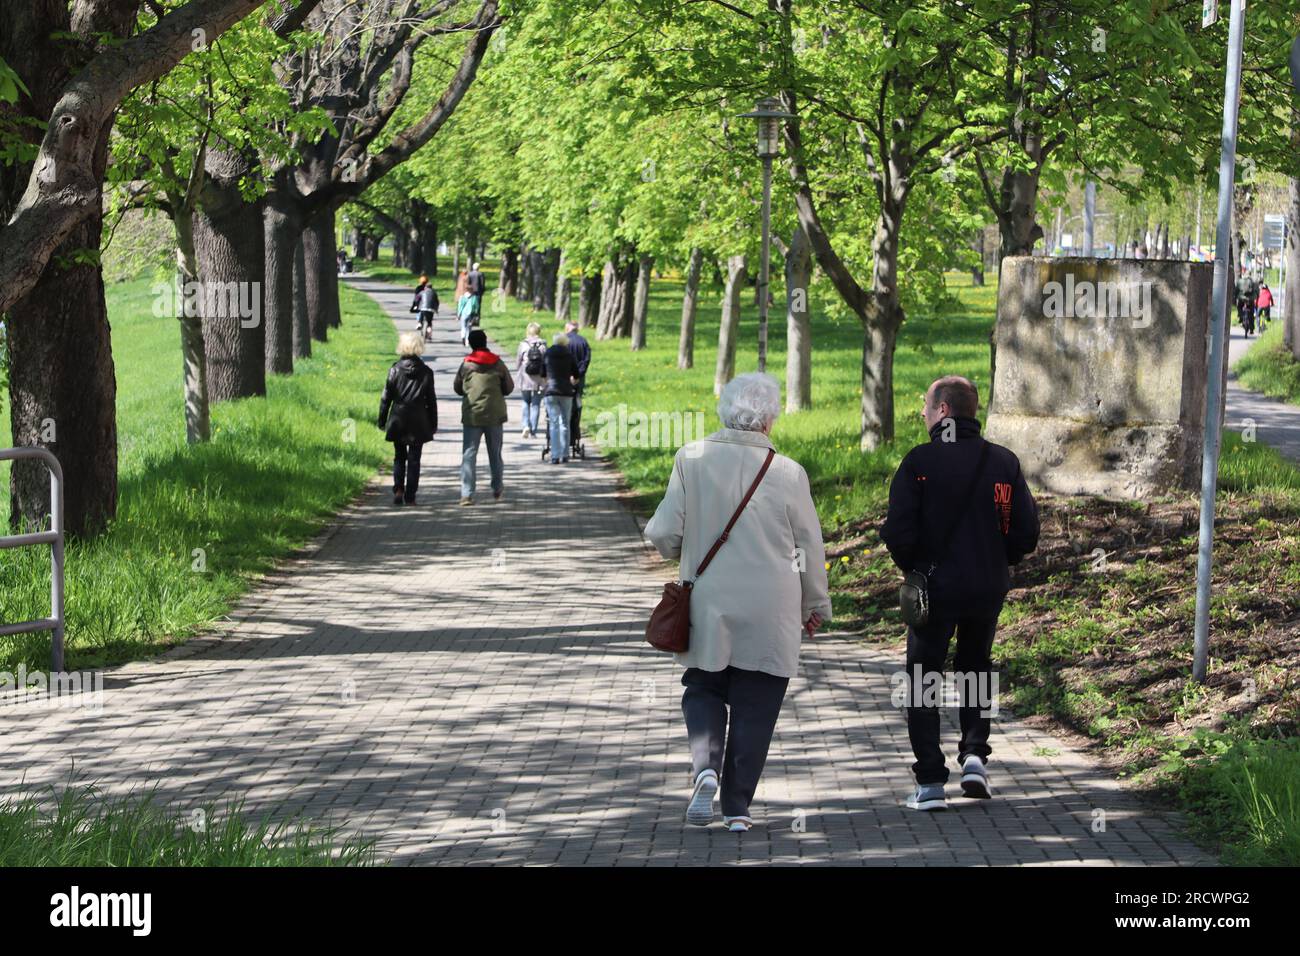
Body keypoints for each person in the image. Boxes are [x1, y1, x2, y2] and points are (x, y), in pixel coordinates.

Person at [644, 373, 831, 832]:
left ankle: (705, 766)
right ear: (768, 420)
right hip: (773, 605)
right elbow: (808, 545)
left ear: (725, 411)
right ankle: (738, 809)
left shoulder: (692, 457)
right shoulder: (789, 472)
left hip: (709, 600)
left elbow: (665, 532)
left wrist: (681, 550)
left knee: (704, 686)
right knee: (758, 700)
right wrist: (815, 605)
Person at [881, 376, 1040, 812]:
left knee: (924, 678)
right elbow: (1024, 531)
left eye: (928, 408)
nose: (924, 415)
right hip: (987, 586)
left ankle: (931, 781)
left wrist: (915, 568)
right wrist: (996, 558)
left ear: (944, 412)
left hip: (934, 588)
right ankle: (973, 758)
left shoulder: (919, 463)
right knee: (975, 667)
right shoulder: (1003, 463)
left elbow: (898, 532)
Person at [453, 328, 513, 505]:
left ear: (471, 344)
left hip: (472, 415)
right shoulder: (498, 363)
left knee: (469, 454)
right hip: (495, 415)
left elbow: (457, 388)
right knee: (495, 453)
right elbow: (509, 388)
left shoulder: (466, 365)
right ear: (486, 342)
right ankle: (497, 490)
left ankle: (466, 494)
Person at [377, 331, 437, 506]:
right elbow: (431, 401)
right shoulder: (426, 372)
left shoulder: (394, 370)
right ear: (419, 347)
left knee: (399, 456)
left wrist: (382, 420)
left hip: (398, 418)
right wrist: (433, 424)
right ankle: (410, 496)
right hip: (419, 419)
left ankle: (398, 489)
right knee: (415, 459)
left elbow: (385, 398)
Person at [542, 332, 579, 464]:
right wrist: (572, 383)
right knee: (565, 423)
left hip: (551, 391)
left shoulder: (548, 354)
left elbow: (543, 374)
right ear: (565, 342)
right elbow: (576, 374)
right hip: (566, 392)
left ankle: (555, 455)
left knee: (554, 423)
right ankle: (565, 454)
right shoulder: (569, 355)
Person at [516, 322, 548, 438]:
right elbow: (546, 362)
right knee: (536, 404)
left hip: (525, 377)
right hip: (539, 379)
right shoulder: (543, 345)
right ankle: (533, 429)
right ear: (538, 332)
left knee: (525, 401)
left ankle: (525, 426)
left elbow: (518, 361)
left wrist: (519, 370)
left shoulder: (523, 344)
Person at [565, 320, 592, 452]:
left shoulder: (562, 341)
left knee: (565, 405)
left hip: (564, 379)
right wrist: (578, 375)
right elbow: (586, 360)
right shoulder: (583, 342)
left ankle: (566, 433)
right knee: (577, 403)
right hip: (579, 379)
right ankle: (575, 430)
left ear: (567, 329)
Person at [1236, 269, 1258, 336]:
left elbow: (1236, 290)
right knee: (1251, 313)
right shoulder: (1253, 282)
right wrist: (1256, 296)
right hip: (1250, 299)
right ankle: (1251, 329)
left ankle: (1241, 317)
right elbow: (1256, 290)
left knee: (1239, 307)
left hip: (1242, 298)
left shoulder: (1240, 281)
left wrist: (1236, 297)